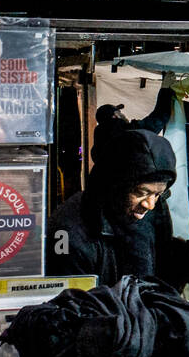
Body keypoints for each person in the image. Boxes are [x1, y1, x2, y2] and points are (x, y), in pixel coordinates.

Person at [47, 107, 177, 286]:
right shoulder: (69, 231)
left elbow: (164, 273)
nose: (150, 204)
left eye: (158, 194)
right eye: (141, 193)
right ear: (116, 184)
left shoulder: (155, 212)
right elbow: (72, 307)